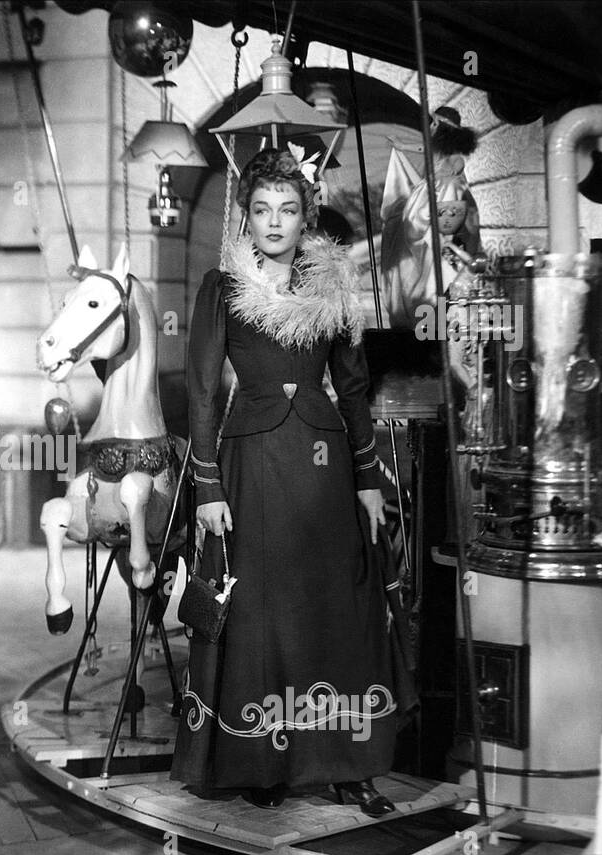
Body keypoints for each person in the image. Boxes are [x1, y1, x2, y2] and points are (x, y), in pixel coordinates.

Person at [172, 148, 415, 816]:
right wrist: (208, 487)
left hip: (324, 465)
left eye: (287, 209)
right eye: (261, 209)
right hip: (249, 466)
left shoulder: (330, 286)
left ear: (305, 215)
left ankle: (351, 765)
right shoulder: (220, 287)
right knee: (258, 613)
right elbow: (199, 394)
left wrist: (369, 477)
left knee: (334, 609)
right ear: (246, 218)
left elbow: (356, 388)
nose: (274, 222)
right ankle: (262, 758)